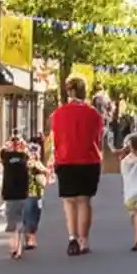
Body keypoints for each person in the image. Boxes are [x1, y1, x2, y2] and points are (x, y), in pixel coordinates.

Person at [51, 74, 105, 255]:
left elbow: (56, 140)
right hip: (89, 160)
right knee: (84, 201)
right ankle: (84, 241)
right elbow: (98, 139)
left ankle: (72, 237)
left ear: (68, 91)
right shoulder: (94, 114)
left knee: (69, 202)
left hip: (65, 160)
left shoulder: (58, 114)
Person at [0, 134, 31, 260]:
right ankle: (19, 245)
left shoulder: (6, 156)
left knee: (13, 223)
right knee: (19, 221)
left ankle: (15, 248)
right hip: (23, 193)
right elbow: (29, 156)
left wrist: (7, 145)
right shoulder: (24, 156)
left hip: (10, 194)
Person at [23, 141, 50, 250]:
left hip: (38, 194)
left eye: (35, 152)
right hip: (29, 193)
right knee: (28, 216)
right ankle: (29, 239)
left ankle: (31, 237)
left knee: (35, 215)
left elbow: (47, 173)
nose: (34, 154)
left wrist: (46, 177)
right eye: (32, 152)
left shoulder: (38, 163)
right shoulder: (27, 163)